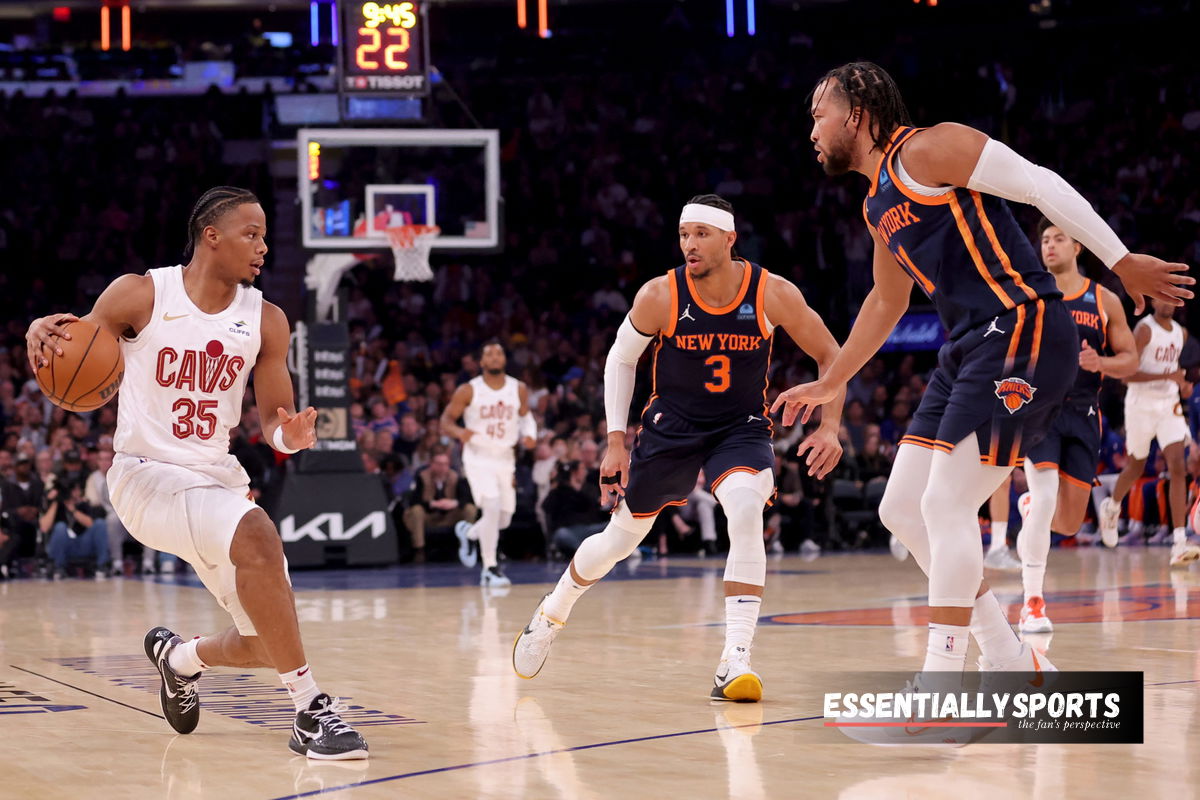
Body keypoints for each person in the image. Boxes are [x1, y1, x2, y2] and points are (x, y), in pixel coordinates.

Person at [774, 62, 1192, 697]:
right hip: (969, 346)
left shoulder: (928, 148)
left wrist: (1120, 259)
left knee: (945, 503)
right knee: (900, 508)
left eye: (818, 114)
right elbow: (886, 302)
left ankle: (943, 681)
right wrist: (833, 381)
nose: (811, 129)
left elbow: (1039, 184)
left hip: (1023, 324)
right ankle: (1009, 656)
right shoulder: (876, 202)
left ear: (856, 113)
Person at [25, 186, 367, 760]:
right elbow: (73, 337)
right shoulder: (141, 294)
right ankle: (311, 712)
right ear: (211, 236)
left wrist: (293, 435)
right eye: (251, 234)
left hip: (215, 480)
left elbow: (275, 423)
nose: (262, 247)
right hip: (145, 476)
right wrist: (39, 327)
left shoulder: (267, 320)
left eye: (264, 236)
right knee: (258, 534)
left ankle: (180, 659)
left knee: (269, 640)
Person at [513, 194, 846, 702]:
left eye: (701, 234)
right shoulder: (660, 294)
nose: (690, 243)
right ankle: (552, 612)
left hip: (739, 427)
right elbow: (620, 360)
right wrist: (616, 441)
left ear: (730, 239)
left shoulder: (772, 292)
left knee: (745, 510)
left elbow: (831, 354)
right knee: (618, 541)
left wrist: (830, 425)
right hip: (671, 428)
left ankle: (734, 659)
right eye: (684, 234)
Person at [1015, 220, 1138, 632]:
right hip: (1040, 411)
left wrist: (1101, 363)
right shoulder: (1031, 296)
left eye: (1058, 238)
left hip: (1084, 415)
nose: (1049, 245)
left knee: (1067, 523)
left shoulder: (1103, 299)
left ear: (1077, 246)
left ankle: (1031, 508)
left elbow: (1130, 360)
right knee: (1045, 496)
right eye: (1044, 240)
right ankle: (1033, 603)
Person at [1099, 298, 1200, 567]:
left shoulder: (1181, 333)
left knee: (1177, 466)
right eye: (1162, 297)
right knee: (1136, 466)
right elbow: (1126, 375)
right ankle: (1112, 506)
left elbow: (1175, 373)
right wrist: (1167, 377)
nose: (1167, 303)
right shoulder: (1144, 330)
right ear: (1153, 300)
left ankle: (1179, 542)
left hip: (1168, 404)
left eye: (1171, 299)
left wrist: (1183, 386)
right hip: (1140, 405)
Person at [440, 341, 538, 587]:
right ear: (481, 362)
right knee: (491, 507)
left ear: (504, 359)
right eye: (489, 354)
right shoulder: (468, 390)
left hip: (505, 457)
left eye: (499, 353)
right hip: (478, 457)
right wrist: (459, 432)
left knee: (503, 519)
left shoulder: (518, 388)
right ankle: (490, 568)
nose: (495, 357)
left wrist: (530, 434)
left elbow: (526, 417)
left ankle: (468, 532)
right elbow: (446, 421)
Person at [401, 445, 476, 563]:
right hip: (429, 516)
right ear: (431, 464)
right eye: (439, 464)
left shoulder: (455, 477)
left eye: (445, 464)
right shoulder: (422, 477)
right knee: (416, 510)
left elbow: (467, 498)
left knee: (470, 509)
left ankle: (467, 545)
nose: (442, 467)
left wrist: (454, 503)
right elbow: (414, 500)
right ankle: (419, 550)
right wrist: (433, 504)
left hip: (450, 516)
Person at [41, 479, 109, 580]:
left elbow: (90, 524)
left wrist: (73, 510)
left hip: (83, 544)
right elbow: (44, 527)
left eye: (77, 489)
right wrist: (55, 502)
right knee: (60, 527)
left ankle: (102, 565)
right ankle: (58, 567)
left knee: (100, 523)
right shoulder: (55, 506)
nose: (75, 493)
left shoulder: (83, 504)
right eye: (72, 490)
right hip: (64, 546)